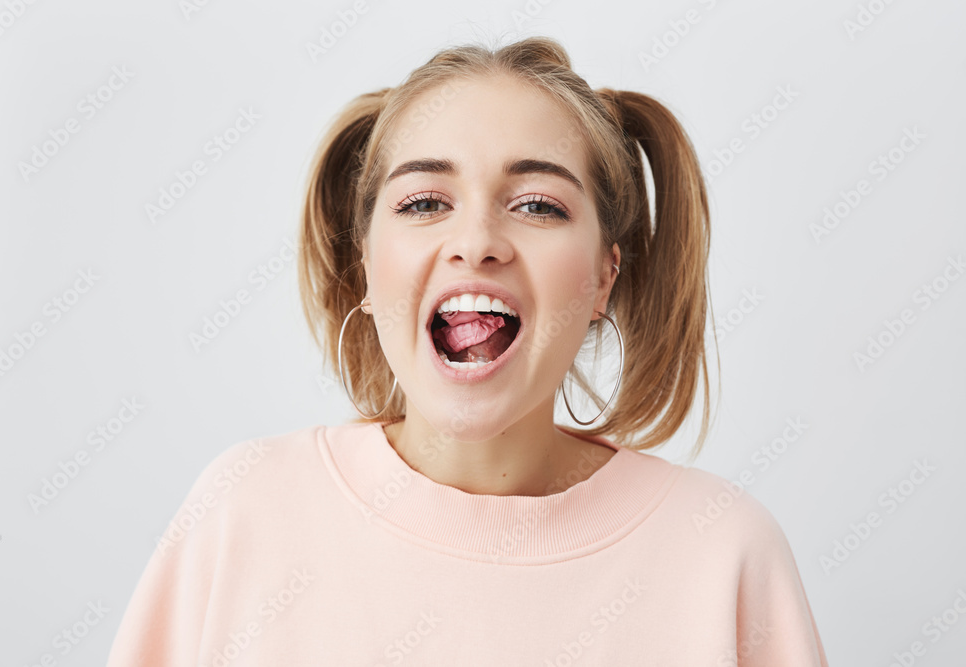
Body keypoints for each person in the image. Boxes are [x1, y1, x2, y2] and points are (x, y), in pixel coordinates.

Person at [105, 36, 829, 665]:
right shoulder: (244, 511)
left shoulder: (723, 553)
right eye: (424, 202)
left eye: (538, 205)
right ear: (363, 259)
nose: (477, 241)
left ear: (607, 272)